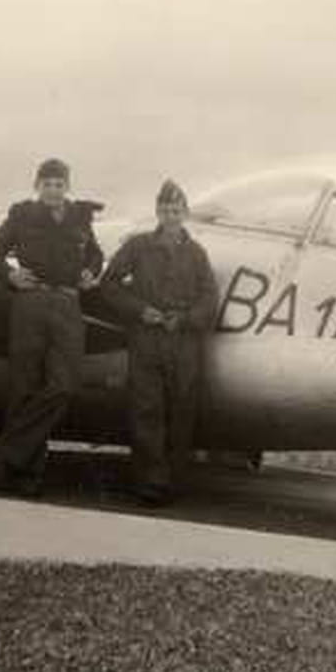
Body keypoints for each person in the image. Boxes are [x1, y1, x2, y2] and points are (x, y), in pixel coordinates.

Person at [0, 158, 104, 495]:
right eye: (47, 184)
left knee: (65, 384)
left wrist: (92, 272)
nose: (53, 190)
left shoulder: (80, 217)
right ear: (37, 186)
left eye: (59, 184)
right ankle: (25, 476)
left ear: (67, 187)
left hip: (67, 304)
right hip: (30, 303)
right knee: (25, 386)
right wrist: (10, 275)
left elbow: (96, 255)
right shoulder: (22, 214)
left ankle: (4, 456)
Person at [100, 179, 217, 505]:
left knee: (182, 410)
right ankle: (150, 483)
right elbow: (109, 284)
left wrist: (186, 319)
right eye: (165, 209)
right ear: (157, 211)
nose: (170, 215)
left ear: (185, 213)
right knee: (147, 408)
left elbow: (209, 298)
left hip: (183, 341)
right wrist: (140, 311)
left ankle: (174, 481)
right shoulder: (137, 246)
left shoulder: (197, 253)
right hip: (147, 338)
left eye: (176, 210)